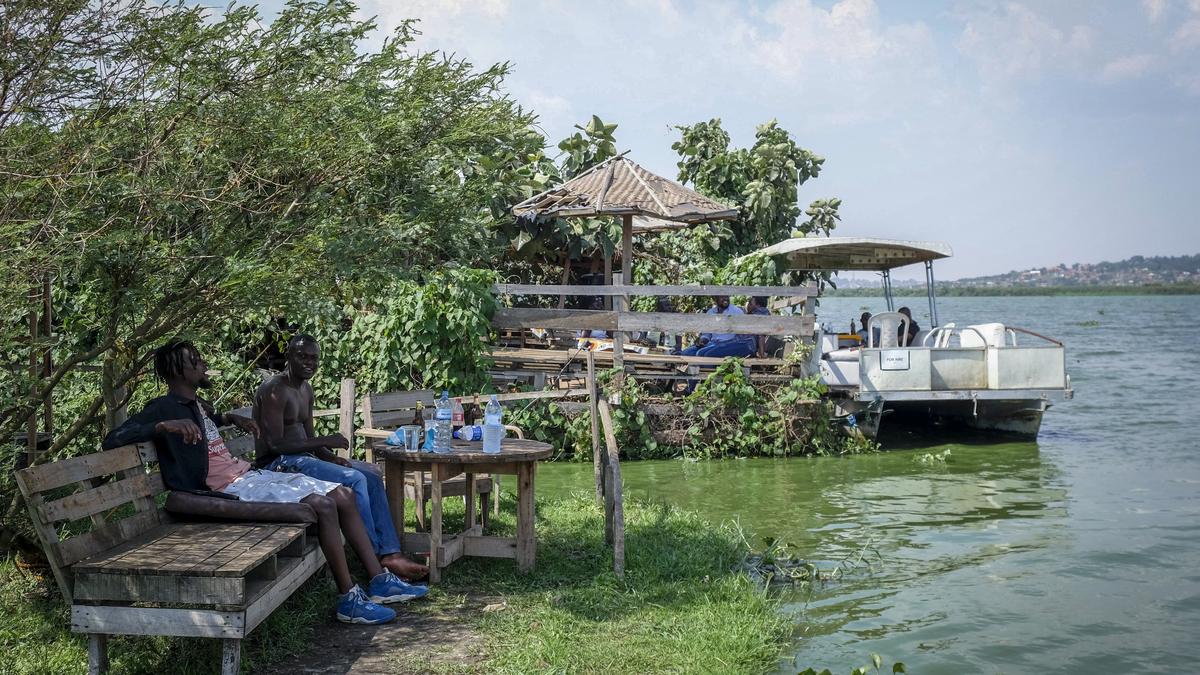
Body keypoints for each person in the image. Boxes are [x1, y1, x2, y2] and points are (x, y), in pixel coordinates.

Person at [102, 340, 422, 625]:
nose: (203, 364)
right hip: (228, 490)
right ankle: (349, 600)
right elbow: (113, 438)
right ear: (178, 371)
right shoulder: (163, 407)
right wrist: (162, 425)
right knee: (324, 504)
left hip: (248, 477)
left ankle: (379, 581)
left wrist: (229, 418)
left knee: (344, 494)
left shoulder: (196, 406)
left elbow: (207, 424)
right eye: (196, 360)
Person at [255, 334, 428, 581]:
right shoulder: (275, 389)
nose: (309, 363)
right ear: (289, 357)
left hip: (303, 459)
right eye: (302, 356)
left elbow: (308, 435)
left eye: (314, 358)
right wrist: (326, 441)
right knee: (354, 479)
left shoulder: (305, 389)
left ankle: (392, 553)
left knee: (371, 473)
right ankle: (377, 558)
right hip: (278, 465)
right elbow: (274, 445)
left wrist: (328, 455)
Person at [678, 295, 755, 358]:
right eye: (722, 296)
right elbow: (707, 334)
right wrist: (702, 340)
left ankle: (707, 375)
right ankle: (691, 374)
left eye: (726, 296)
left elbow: (742, 336)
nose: (725, 299)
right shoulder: (711, 312)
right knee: (686, 353)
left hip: (729, 344)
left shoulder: (737, 312)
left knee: (703, 354)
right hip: (713, 343)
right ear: (715, 299)